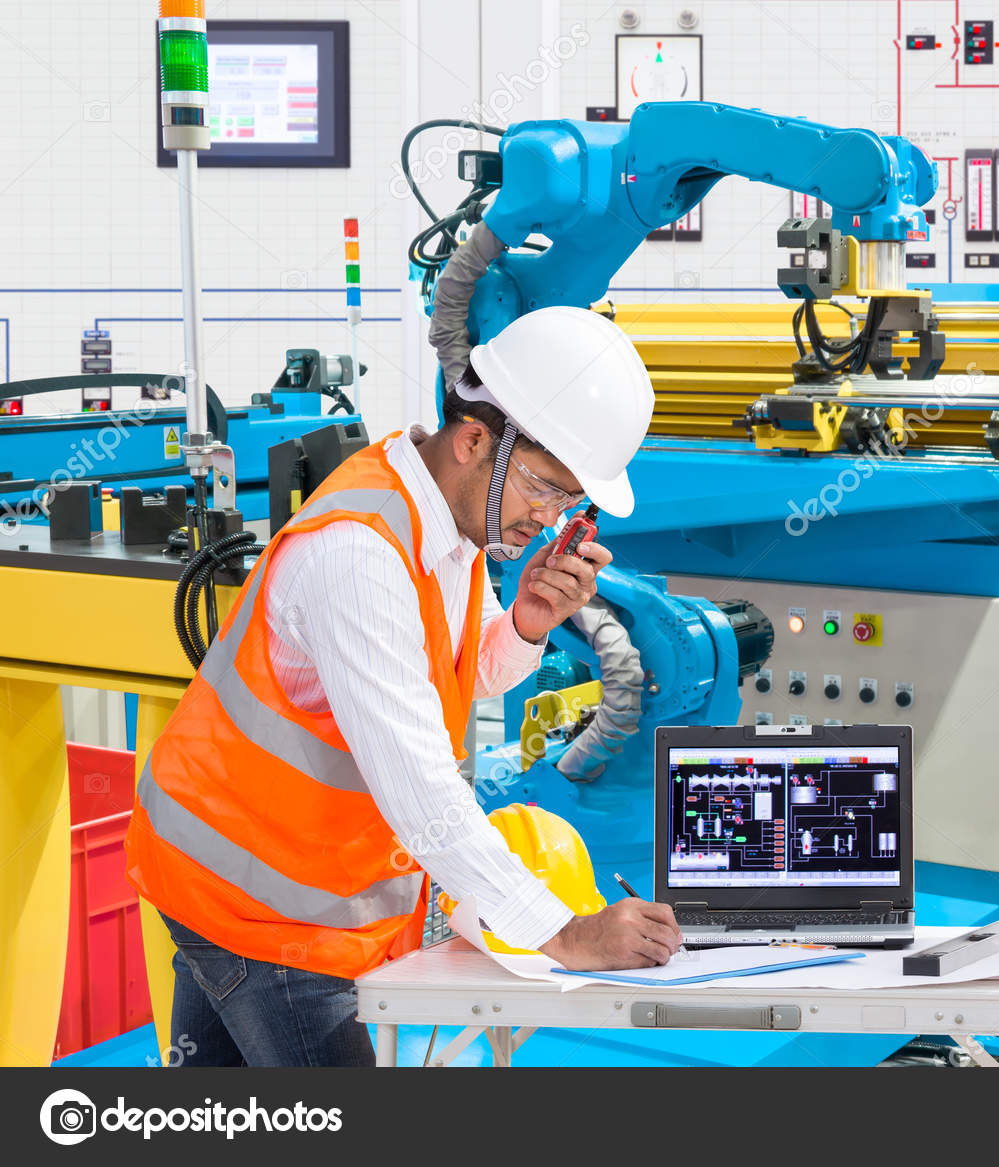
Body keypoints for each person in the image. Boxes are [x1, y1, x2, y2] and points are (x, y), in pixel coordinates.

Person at [125, 305, 682, 1066]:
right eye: (546, 490)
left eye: (568, 504)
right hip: (268, 901)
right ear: (476, 439)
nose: (551, 521)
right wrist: (564, 931)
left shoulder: (448, 524)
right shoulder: (361, 554)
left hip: (237, 872)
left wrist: (528, 619)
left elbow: (465, 668)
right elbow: (420, 786)